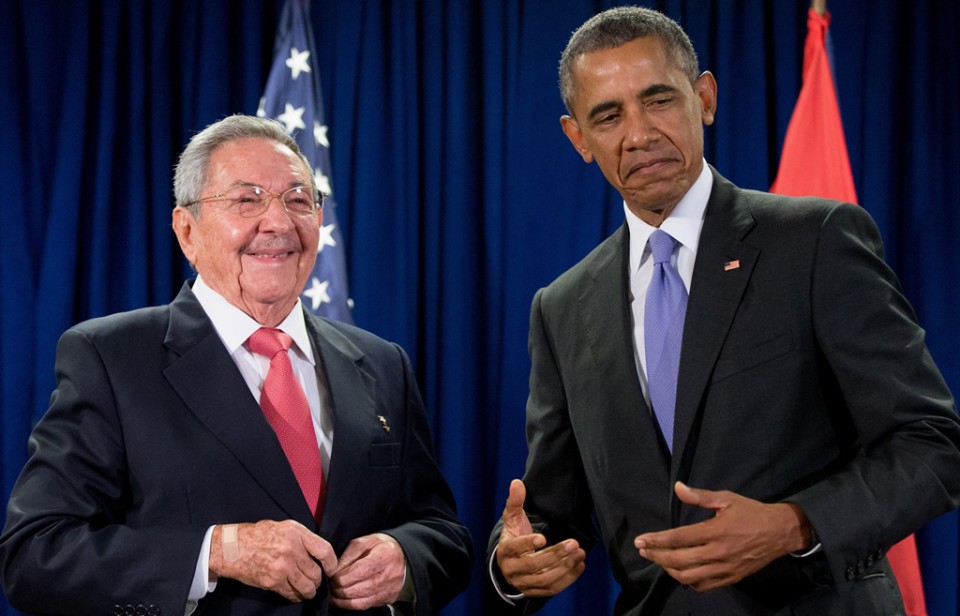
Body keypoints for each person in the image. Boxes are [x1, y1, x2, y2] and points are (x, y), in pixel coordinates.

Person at [486, 6, 960, 615]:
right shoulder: (562, 307)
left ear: (703, 97)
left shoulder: (816, 241)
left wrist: (795, 524)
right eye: (608, 115)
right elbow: (552, 508)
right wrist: (516, 560)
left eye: (658, 100)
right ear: (577, 137)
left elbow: (931, 444)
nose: (638, 133)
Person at [0, 114, 472, 615]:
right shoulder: (110, 357)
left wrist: (405, 558)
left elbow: (440, 530)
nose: (279, 223)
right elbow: (35, 555)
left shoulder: (382, 363)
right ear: (187, 231)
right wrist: (217, 552)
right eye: (247, 200)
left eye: (298, 200)